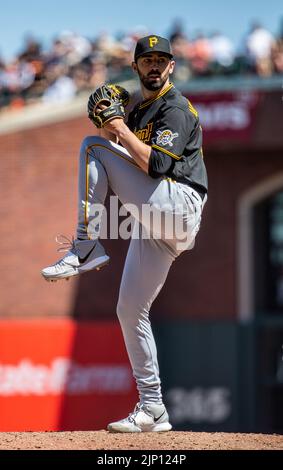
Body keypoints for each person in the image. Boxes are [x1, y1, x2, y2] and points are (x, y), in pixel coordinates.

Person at [42, 35, 208, 432]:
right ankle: (153, 409)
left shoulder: (175, 108)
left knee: (92, 147)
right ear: (135, 67)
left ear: (171, 67)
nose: (154, 65)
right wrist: (114, 125)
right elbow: (122, 163)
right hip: (158, 223)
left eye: (161, 60)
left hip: (180, 204)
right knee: (130, 309)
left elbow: (154, 167)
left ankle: (84, 246)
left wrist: (114, 127)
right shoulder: (140, 111)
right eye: (147, 59)